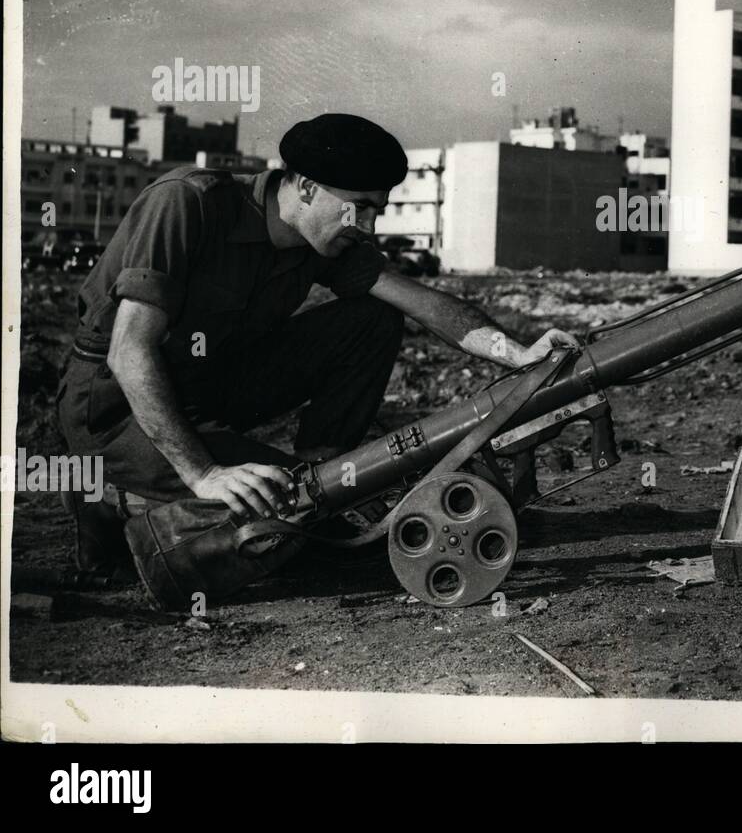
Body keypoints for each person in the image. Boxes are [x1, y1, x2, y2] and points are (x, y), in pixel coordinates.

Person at [57, 113, 577, 573]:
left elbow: (420, 302)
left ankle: (321, 465)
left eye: (379, 209)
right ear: (306, 186)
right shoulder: (187, 202)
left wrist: (519, 353)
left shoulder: (321, 236)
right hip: (114, 405)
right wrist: (206, 473)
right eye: (361, 207)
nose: (370, 226)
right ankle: (116, 502)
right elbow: (129, 352)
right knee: (294, 517)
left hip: (210, 384)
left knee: (373, 320)